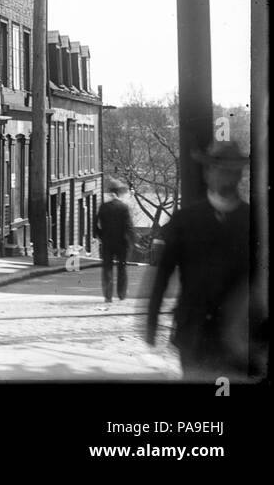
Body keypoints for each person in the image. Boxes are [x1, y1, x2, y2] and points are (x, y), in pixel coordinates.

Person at [146, 141, 251, 379]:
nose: (227, 176)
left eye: (233, 170)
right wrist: (151, 319)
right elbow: (163, 273)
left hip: (241, 337)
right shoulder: (186, 221)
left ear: (240, 175)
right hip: (194, 332)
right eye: (220, 169)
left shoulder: (251, 220)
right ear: (207, 173)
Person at [95, 181, 133, 304]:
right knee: (122, 268)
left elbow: (96, 224)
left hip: (107, 242)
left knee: (107, 269)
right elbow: (129, 226)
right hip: (122, 242)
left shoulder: (104, 207)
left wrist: (101, 236)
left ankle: (108, 296)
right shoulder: (124, 207)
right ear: (119, 194)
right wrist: (132, 241)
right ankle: (121, 294)